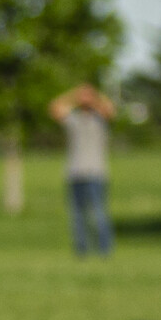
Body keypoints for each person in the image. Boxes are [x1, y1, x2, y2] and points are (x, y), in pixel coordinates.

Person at [48, 83, 116, 257]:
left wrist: (94, 96)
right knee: (77, 216)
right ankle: (82, 251)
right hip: (75, 172)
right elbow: (54, 107)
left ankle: (104, 250)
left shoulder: (99, 119)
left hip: (96, 172)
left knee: (99, 213)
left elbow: (111, 109)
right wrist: (74, 95)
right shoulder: (74, 119)